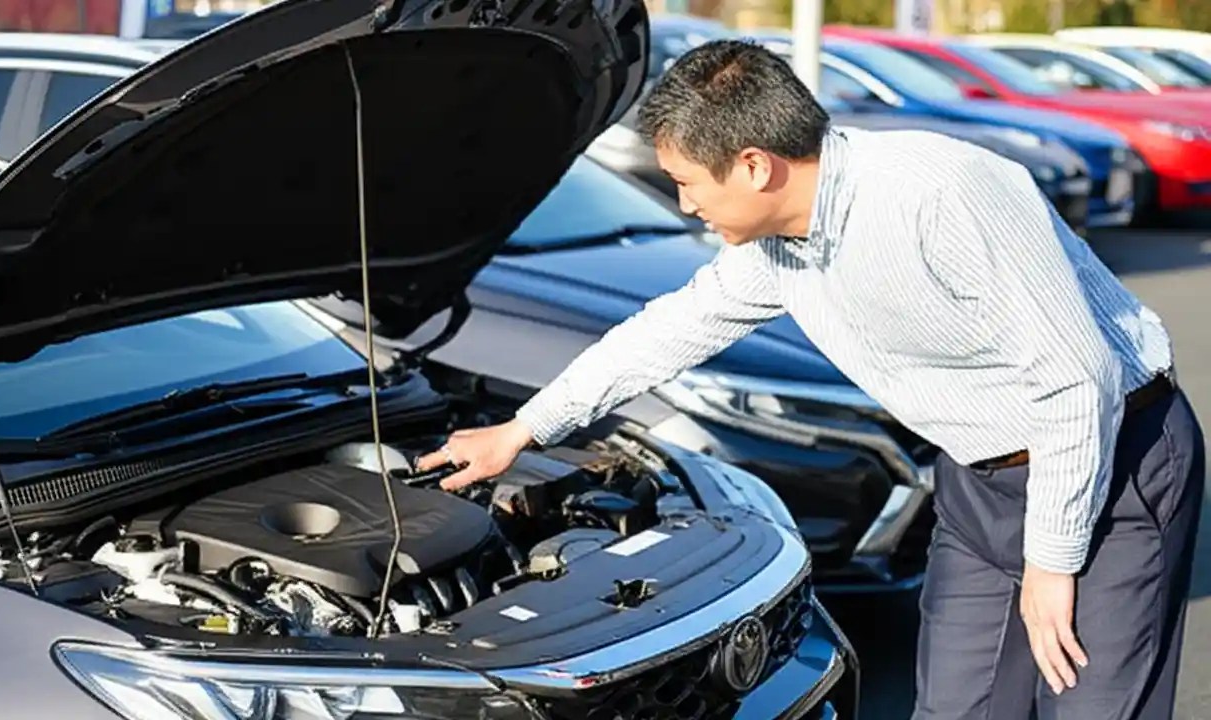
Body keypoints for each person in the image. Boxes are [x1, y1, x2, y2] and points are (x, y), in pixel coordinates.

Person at [414, 39, 1203, 719]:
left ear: (754, 165)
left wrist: (1053, 561)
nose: (685, 205)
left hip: (1111, 461)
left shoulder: (942, 195)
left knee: (1095, 704)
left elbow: (1077, 381)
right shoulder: (777, 251)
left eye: (689, 183)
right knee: (956, 706)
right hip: (977, 479)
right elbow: (665, 332)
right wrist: (523, 429)